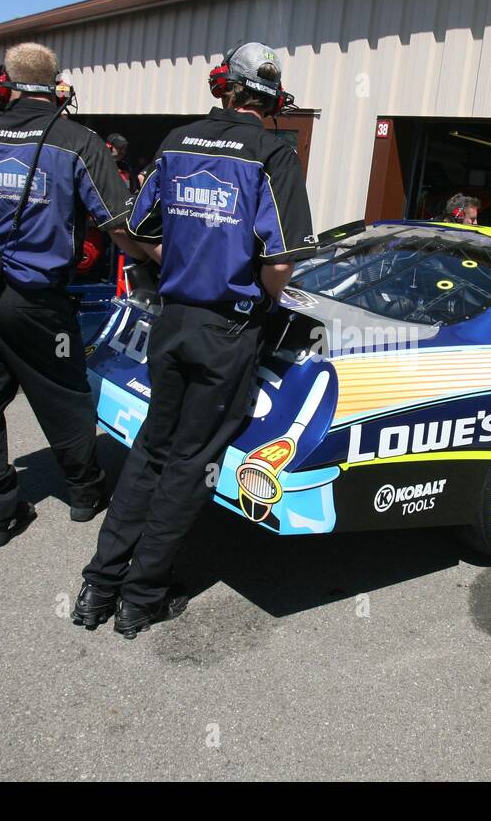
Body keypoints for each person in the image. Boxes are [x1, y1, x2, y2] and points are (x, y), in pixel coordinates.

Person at [75, 41, 315, 639]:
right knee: (191, 463)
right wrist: (256, 294)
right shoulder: (272, 153)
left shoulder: (177, 140)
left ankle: (98, 585)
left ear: (222, 87)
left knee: (151, 448)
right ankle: (141, 597)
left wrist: (182, 259)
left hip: (172, 320)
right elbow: (282, 262)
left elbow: (132, 233)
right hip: (228, 329)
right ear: (273, 99)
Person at [0, 42, 132, 548]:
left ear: (7, 80)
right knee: (62, 392)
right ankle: (85, 494)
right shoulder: (77, 140)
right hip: (36, 295)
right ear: (57, 83)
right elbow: (119, 221)